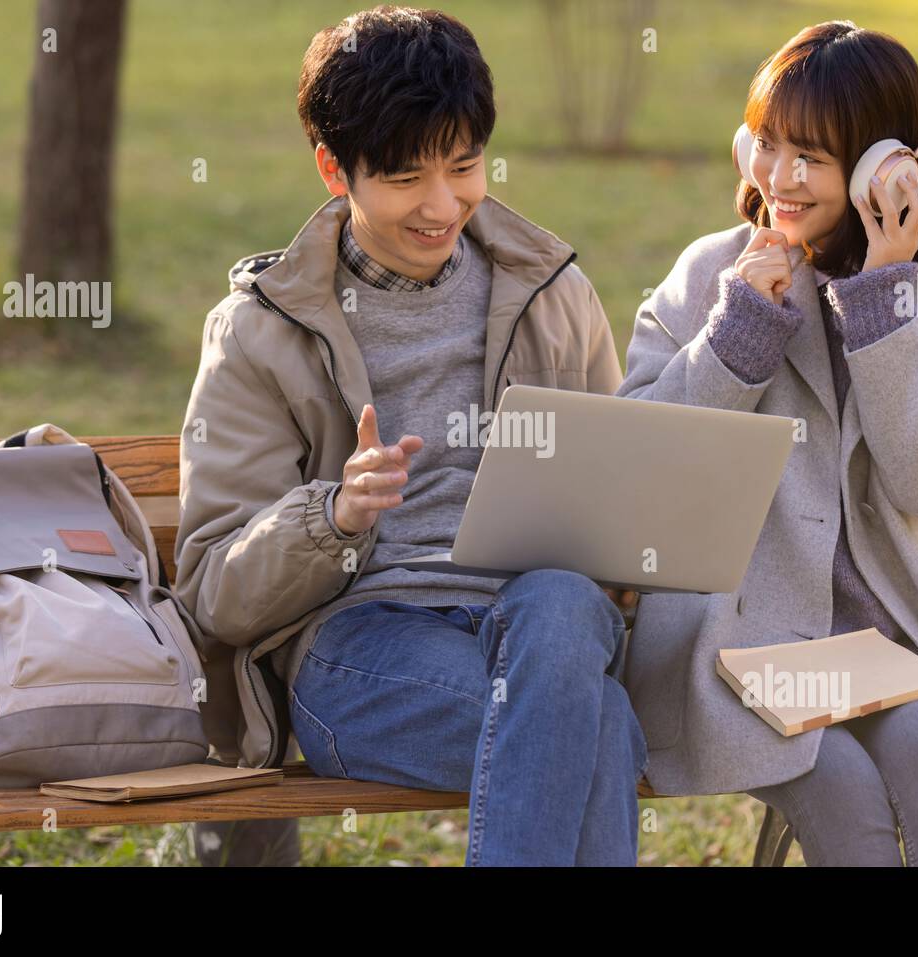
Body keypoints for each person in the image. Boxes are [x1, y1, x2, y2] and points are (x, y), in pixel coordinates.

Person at [175, 5, 645, 867]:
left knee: (565, 603)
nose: (443, 205)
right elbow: (215, 592)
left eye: (464, 166)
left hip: (536, 629)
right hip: (362, 650)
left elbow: (615, 502)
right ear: (333, 168)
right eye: (404, 178)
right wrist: (336, 517)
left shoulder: (550, 293)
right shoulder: (259, 332)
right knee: (599, 726)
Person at [617, 20, 918, 865]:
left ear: (889, 164)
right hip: (730, 643)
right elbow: (641, 473)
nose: (779, 176)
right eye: (768, 145)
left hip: (882, 646)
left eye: (810, 155)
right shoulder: (712, 275)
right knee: (840, 785)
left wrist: (884, 311)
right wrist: (737, 335)